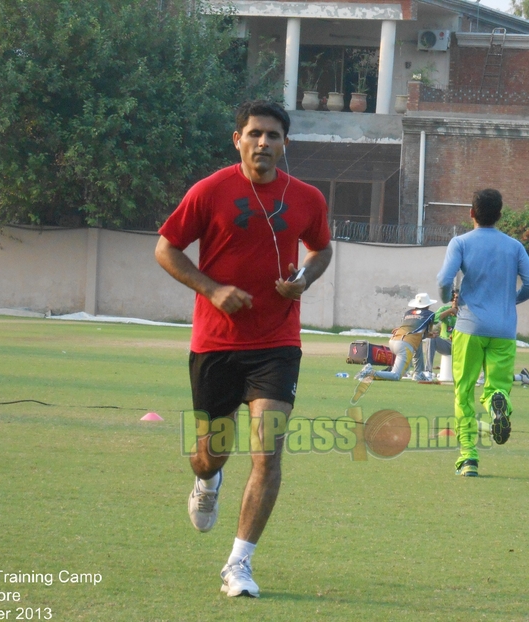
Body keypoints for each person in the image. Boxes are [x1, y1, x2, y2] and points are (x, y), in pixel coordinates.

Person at [154, 100, 333, 598]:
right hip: (215, 344)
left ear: (285, 144)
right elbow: (165, 247)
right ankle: (207, 483)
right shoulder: (210, 191)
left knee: (266, 453)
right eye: (254, 134)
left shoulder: (308, 198)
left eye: (273, 135)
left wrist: (303, 278)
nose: (263, 143)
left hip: (277, 343)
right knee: (208, 456)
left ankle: (239, 564)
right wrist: (211, 290)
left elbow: (321, 250)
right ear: (237, 140)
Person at [437, 188, 529, 477]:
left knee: (464, 390)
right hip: (504, 329)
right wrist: (511, 300)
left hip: (470, 326)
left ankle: (468, 457)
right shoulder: (514, 246)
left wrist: (450, 297)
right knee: (497, 386)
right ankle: (499, 405)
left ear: (471, 213)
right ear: (500, 215)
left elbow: (444, 279)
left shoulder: (460, 243)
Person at [422, 290, 529, 387]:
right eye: (456, 298)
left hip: (465, 345)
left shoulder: (469, 312)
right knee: (430, 339)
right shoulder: (445, 309)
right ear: (452, 299)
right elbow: (434, 319)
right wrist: (450, 311)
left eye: (460, 298)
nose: (457, 300)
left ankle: (519, 377)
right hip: (447, 344)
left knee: (488, 362)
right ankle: (428, 372)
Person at [355, 293, 436, 382]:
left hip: (394, 340)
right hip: (404, 345)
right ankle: (370, 372)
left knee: (417, 342)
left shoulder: (408, 313)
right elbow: (424, 333)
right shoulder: (430, 314)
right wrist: (431, 334)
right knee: (396, 375)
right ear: (428, 305)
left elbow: (413, 330)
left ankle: (418, 373)